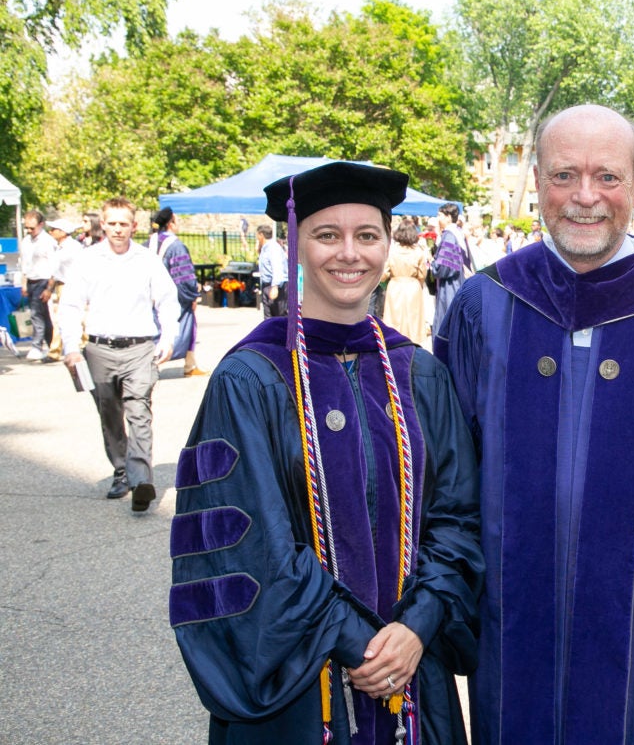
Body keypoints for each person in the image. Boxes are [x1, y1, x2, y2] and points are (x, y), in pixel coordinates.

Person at [435, 104, 634, 744]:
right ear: (537, 180)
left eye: (608, 177)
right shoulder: (484, 308)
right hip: (512, 624)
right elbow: (447, 480)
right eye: (565, 175)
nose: (585, 197)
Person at [170, 161, 483, 744]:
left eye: (367, 235)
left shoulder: (421, 375)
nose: (349, 253)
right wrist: (361, 645)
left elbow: (458, 520)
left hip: (414, 671)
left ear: (388, 245)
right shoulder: (251, 379)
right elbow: (248, 548)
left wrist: (417, 627)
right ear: (294, 243)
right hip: (299, 682)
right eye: (326, 235)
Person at [58, 197, 178, 509]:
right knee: (109, 412)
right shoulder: (88, 260)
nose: (118, 229)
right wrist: (70, 348)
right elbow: (70, 305)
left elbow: (166, 300)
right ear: (103, 225)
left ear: (134, 226)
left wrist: (168, 337)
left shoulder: (147, 260)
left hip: (139, 348)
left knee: (139, 411)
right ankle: (121, 469)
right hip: (99, 349)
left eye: (124, 224)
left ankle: (141, 481)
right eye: (112, 223)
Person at [149, 207, 207, 376]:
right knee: (186, 328)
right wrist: (192, 295)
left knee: (155, 327)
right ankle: (188, 366)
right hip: (175, 297)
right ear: (171, 223)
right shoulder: (176, 246)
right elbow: (183, 276)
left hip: (151, 295)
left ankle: (188, 364)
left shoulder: (149, 242)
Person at [382, 219, 431, 346]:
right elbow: (422, 274)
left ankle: (394, 346)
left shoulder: (391, 251)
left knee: (394, 321)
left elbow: (383, 275)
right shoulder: (418, 252)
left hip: (395, 286)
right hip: (413, 287)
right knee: (413, 323)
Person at [429, 202, 470, 349]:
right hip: (458, 283)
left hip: (450, 288)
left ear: (447, 217)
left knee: (446, 326)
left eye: (439, 215)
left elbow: (444, 268)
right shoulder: (458, 233)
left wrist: (432, 264)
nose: (437, 218)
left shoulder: (449, 235)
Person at [42, 218, 84, 362]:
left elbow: (55, 268)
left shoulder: (72, 248)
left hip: (71, 285)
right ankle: (56, 350)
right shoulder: (59, 247)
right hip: (61, 285)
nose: (51, 232)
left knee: (73, 318)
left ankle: (60, 350)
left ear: (62, 232)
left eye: (54, 229)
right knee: (60, 318)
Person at [18, 209, 56, 360]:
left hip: (43, 279)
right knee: (42, 315)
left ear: (41, 225)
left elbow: (54, 266)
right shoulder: (26, 241)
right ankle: (51, 344)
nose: (29, 231)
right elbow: (25, 264)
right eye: (26, 227)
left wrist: (49, 288)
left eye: (32, 228)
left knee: (36, 314)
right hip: (31, 279)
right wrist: (24, 284)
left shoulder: (48, 241)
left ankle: (36, 345)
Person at [256, 223, 288, 319]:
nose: (257, 238)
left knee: (279, 316)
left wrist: (275, 286)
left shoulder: (273, 248)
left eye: (257, 235)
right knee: (268, 317)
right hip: (267, 285)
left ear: (261, 235)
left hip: (276, 285)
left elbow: (277, 267)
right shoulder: (265, 248)